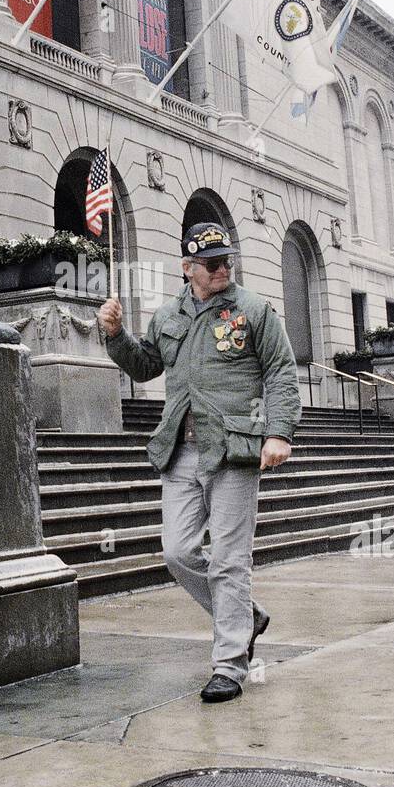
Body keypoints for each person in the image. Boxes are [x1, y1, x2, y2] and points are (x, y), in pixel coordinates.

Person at [97, 222, 301, 703]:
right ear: (187, 268)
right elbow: (146, 364)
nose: (223, 269)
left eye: (227, 260)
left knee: (230, 561)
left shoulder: (253, 310)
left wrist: (280, 432)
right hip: (180, 452)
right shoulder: (168, 315)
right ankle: (245, 616)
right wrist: (114, 335)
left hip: (234, 451)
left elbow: (281, 372)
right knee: (178, 552)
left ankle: (229, 664)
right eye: (212, 264)